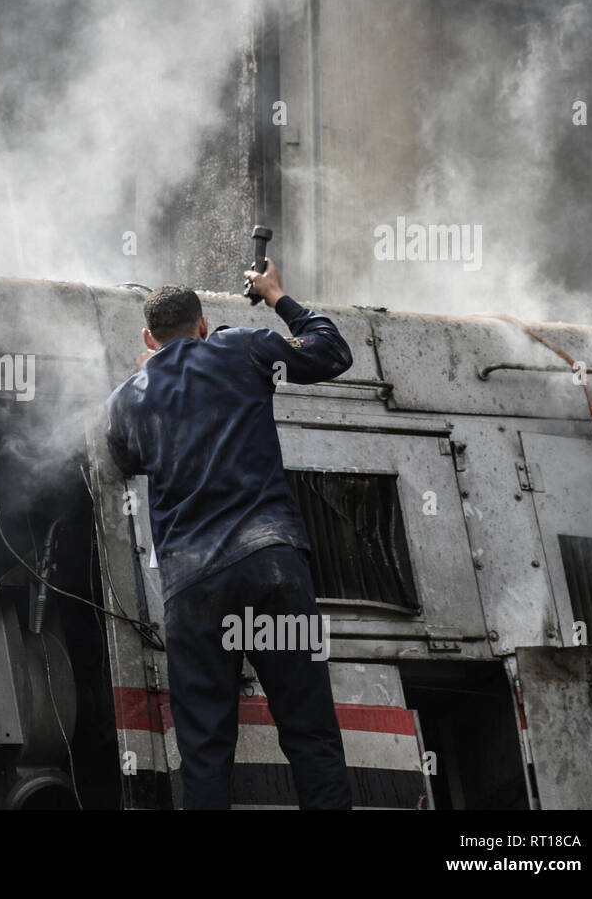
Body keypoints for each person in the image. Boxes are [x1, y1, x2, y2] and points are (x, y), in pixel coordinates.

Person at [105, 258, 353, 809]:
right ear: (202, 324)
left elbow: (125, 458)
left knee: (205, 749)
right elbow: (332, 352)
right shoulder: (243, 347)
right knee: (310, 729)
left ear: (148, 338)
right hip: (273, 569)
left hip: (195, 590)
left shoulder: (126, 398)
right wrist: (276, 297)